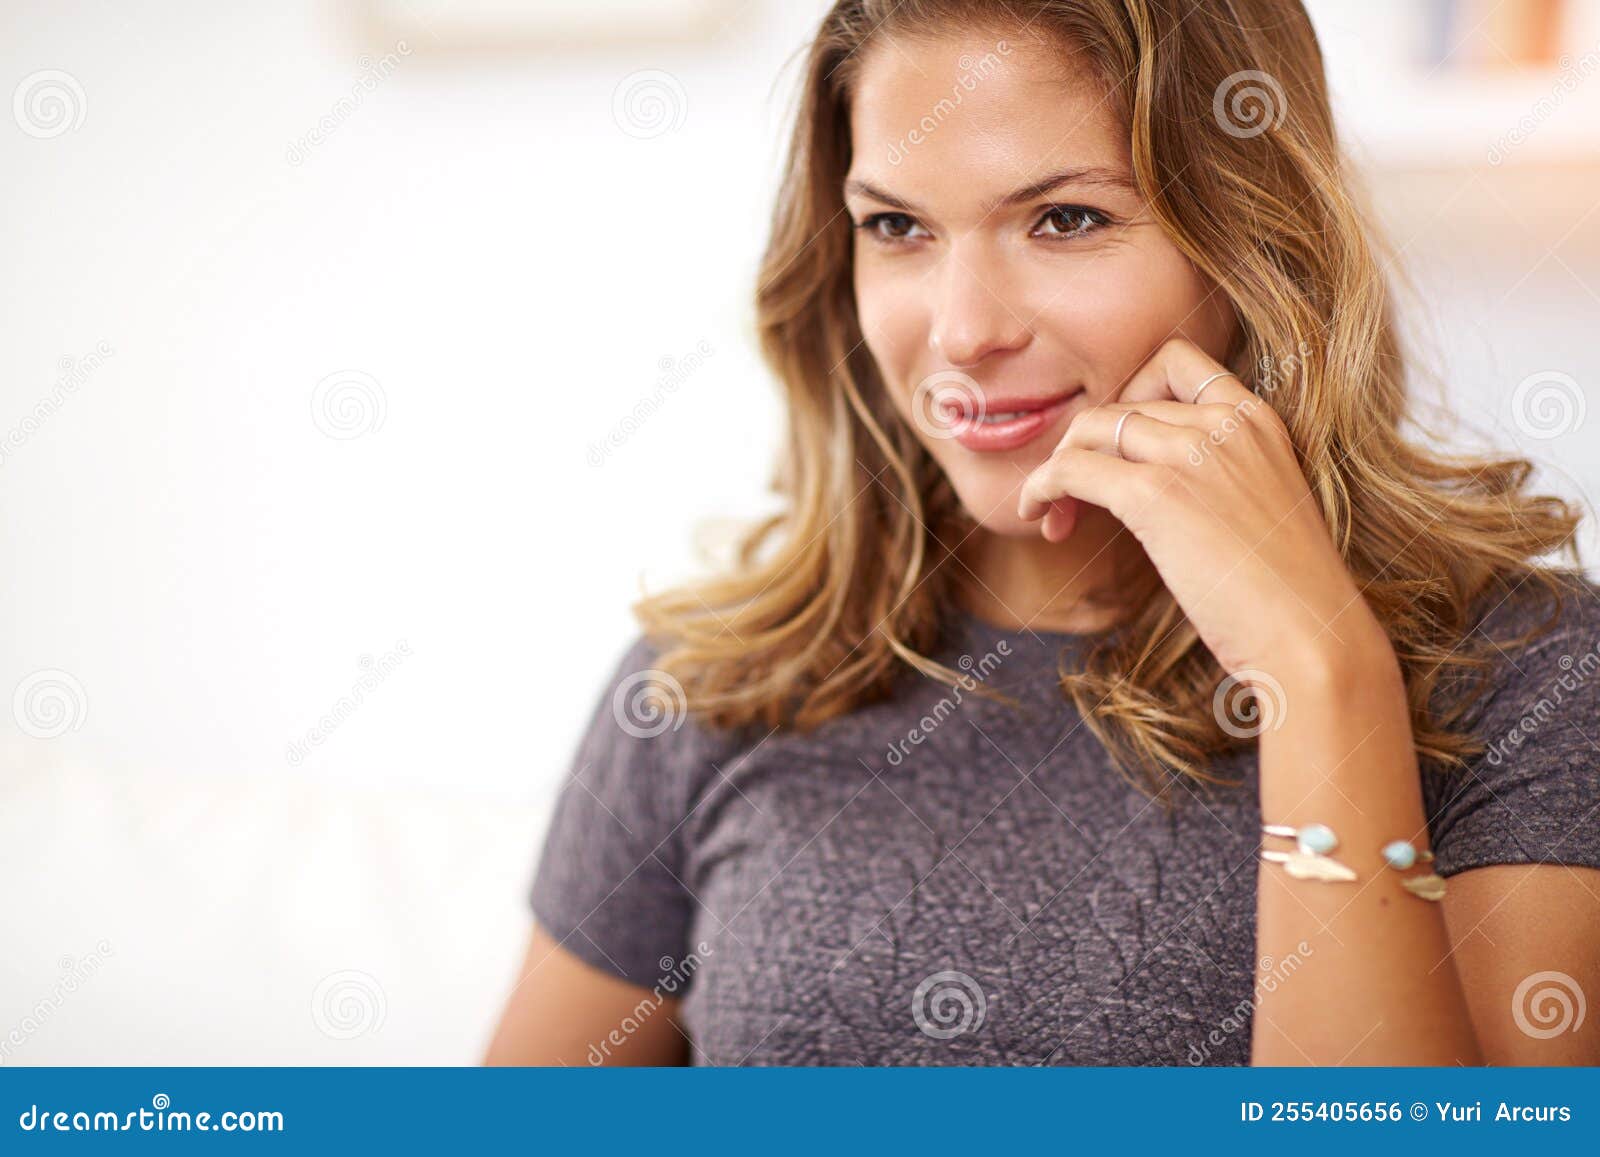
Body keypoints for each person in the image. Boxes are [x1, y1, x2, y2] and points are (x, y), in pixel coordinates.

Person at [485, 0, 1600, 1066]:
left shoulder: (1527, 678)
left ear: (1254, 243)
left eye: (1066, 219)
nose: (964, 330)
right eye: (896, 227)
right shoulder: (711, 687)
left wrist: (1319, 673)